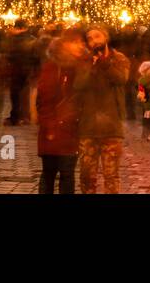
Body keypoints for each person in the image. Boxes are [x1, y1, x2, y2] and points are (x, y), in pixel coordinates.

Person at [73, 24, 130, 193]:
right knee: (86, 176)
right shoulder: (83, 60)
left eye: (97, 36)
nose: (93, 41)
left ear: (105, 38)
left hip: (111, 126)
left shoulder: (119, 59)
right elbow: (78, 85)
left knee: (111, 175)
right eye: (89, 38)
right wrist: (91, 66)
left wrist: (104, 63)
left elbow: (121, 79)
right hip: (87, 126)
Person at [36, 28, 85, 193]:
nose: (80, 46)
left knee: (67, 174)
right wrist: (50, 127)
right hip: (55, 129)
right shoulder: (53, 67)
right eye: (76, 42)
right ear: (66, 44)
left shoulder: (82, 65)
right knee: (50, 173)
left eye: (81, 42)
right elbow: (44, 100)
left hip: (72, 128)